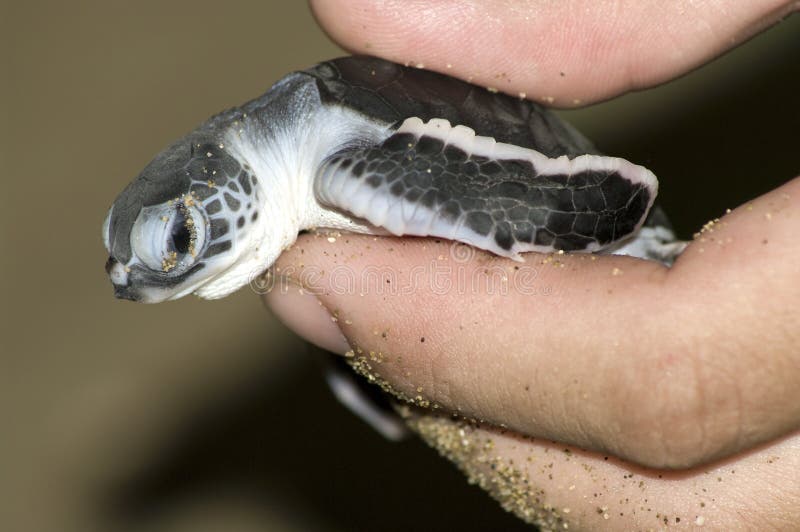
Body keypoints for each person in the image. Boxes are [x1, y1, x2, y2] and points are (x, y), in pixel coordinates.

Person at [266, 1, 800, 528]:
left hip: (606, 237)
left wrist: (587, 210)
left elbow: (612, 203)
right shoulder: (300, 210)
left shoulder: (338, 164)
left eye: (183, 237)